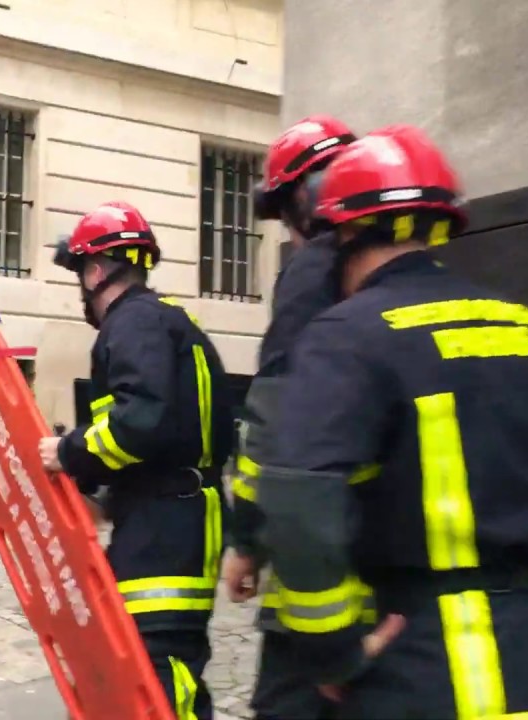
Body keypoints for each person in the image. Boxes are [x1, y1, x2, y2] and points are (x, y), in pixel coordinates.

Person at [254, 125, 528, 718]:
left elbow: (298, 499)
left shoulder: (344, 337)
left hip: (417, 667)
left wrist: (331, 649)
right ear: (439, 229)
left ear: (341, 235)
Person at [36, 201, 235, 720]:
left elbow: (140, 422)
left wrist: (68, 452)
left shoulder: (131, 324)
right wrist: (104, 494)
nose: (81, 287)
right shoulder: (162, 320)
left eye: (81, 273)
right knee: (162, 660)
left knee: (158, 671)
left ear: (97, 270)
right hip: (171, 513)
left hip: (167, 524)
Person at [220, 114, 366, 720]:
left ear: (307, 199)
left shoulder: (314, 269)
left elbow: (274, 416)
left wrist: (246, 539)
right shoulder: (395, 270)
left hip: (320, 555)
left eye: (284, 212)